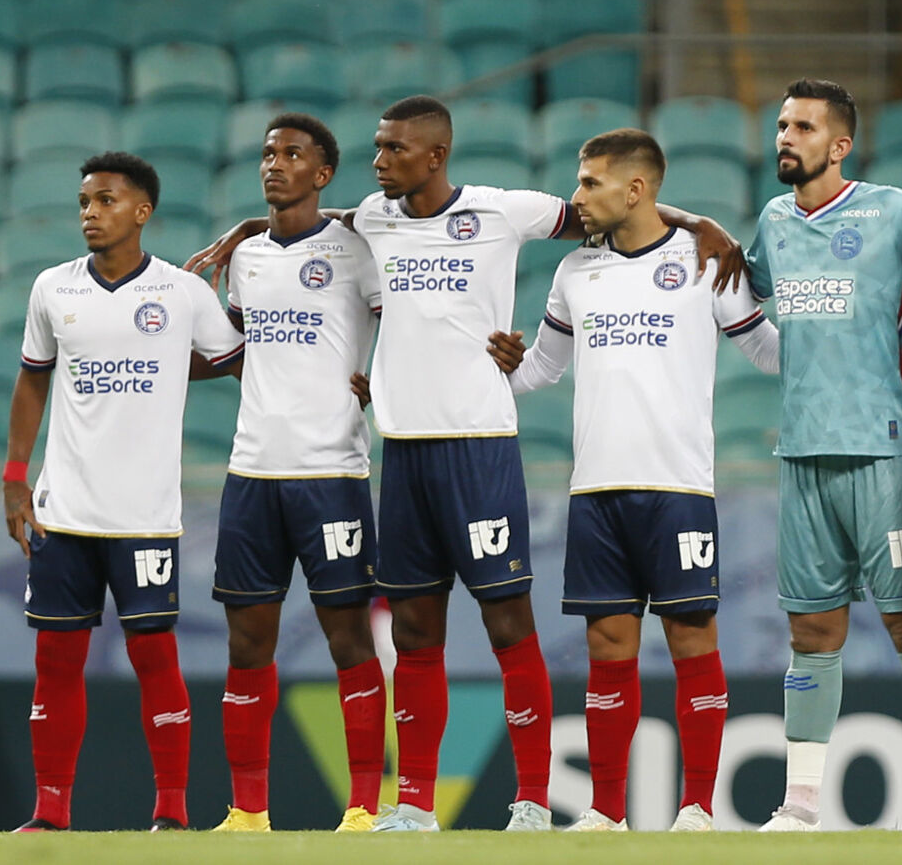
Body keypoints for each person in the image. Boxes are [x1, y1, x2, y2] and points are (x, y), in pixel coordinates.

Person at [186, 95, 741, 833]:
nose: (379, 160)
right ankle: (415, 803)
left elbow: (608, 210)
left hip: (480, 447)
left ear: (436, 155)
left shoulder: (503, 211)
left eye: (394, 148)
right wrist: (248, 227)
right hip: (403, 452)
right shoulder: (372, 219)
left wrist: (697, 222)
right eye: (378, 147)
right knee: (414, 630)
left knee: (509, 624)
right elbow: (310, 221)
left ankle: (532, 801)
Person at [501, 129, 780, 833]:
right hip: (595, 490)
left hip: (678, 487)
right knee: (607, 649)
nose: (577, 194)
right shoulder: (574, 271)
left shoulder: (705, 260)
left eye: (590, 181)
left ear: (635, 189)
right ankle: (605, 811)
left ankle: (698, 808)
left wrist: (835, 341)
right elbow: (543, 369)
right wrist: (489, 369)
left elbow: (764, 349)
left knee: (692, 639)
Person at [6, 153, 245, 832]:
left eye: (106, 200)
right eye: (85, 201)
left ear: (142, 211)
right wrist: (14, 477)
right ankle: (50, 812)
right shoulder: (53, 287)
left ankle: (171, 812)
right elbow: (32, 379)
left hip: (144, 516)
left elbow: (237, 360)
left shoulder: (181, 292)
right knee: (56, 661)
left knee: (154, 655)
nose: (91, 212)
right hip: (63, 511)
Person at [746, 81, 902, 832]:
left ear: (840, 145)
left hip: (886, 449)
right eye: (782, 124)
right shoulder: (772, 220)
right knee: (811, 633)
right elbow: (741, 292)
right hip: (802, 451)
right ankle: (801, 803)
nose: (786, 136)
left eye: (803, 127)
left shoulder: (897, 211)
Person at [209, 115, 385, 833]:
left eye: (292, 154)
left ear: (323, 173)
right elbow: (240, 349)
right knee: (247, 643)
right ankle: (248, 810)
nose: (274, 164)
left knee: (349, 640)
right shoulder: (247, 257)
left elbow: (400, 325)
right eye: (267, 153)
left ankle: (364, 807)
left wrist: (380, 383)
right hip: (251, 471)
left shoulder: (357, 248)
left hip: (331, 472)